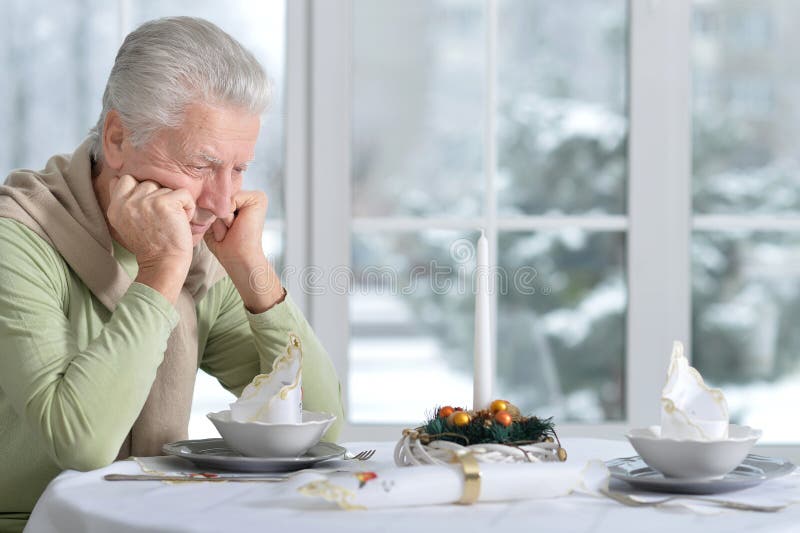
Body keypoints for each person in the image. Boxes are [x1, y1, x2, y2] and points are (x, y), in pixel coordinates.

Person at [0, 17, 344, 532]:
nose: (223, 202)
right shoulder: (16, 241)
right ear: (116, 138)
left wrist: (253, 270)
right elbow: (82, 443)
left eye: (239, 168)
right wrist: (161, 271)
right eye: (201, 165)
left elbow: (318, 421)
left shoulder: (202, 253)